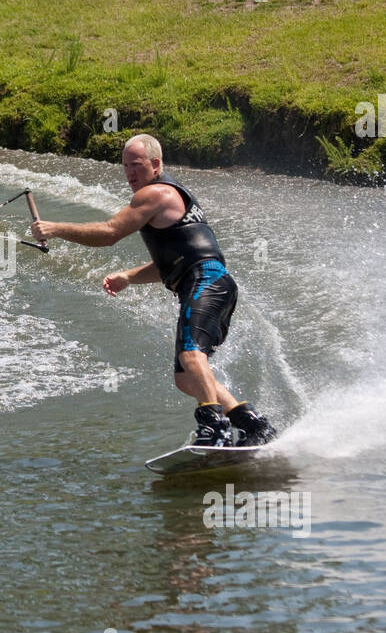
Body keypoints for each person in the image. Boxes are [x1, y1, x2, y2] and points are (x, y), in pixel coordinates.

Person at [29, 134, 278, 448]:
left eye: (136, 165)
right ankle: (251, 423)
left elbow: (109, 233)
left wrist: (55, 229)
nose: (130, 172)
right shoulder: (163, 200)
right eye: (125, 166)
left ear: (156, 164)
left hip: (207, 281)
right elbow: (173, 263)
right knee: (187, 377)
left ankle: (214, 428)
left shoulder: (156, 194)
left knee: (191, 355)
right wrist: (129, 277)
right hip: (209, 281)